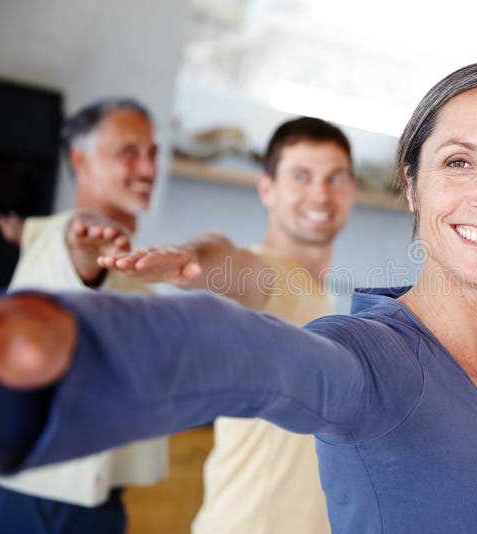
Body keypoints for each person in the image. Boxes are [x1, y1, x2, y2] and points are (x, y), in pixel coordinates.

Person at [0, 60, 477, 532]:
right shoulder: (372, 356)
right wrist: (73, 341)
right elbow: (256, 353)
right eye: (460, 162)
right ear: (411, 187)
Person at [100, 116, 357, 534]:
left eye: (335, 178)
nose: (320, 194)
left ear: (352, 190)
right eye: (301, 176)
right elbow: (225, 258)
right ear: (267, 189)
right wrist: (191, 255)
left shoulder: (326, 301)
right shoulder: (268, 278)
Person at [0, 97, 167, 534]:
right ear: (79, 160)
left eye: (152, 153)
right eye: (128, 152)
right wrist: (86, 262)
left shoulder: (49, 232)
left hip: (86, 498)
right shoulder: (76, 237)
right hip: (53, 508)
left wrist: (22, 232)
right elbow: (81, 263)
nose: (147, 169)